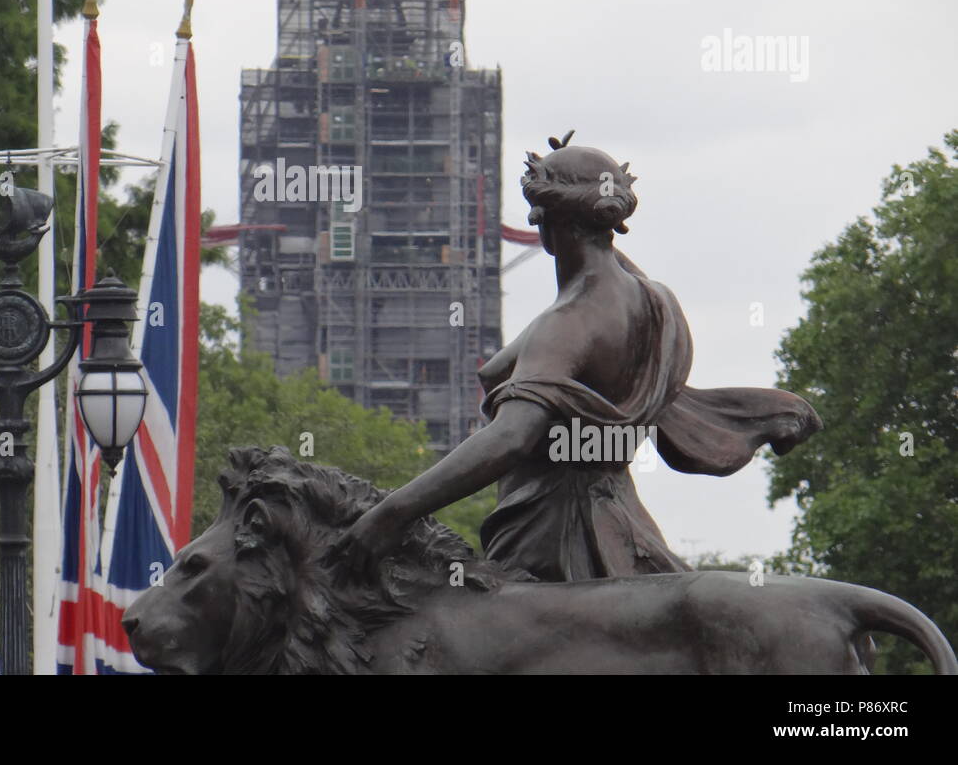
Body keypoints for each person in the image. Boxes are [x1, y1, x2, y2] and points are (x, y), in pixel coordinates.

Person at [331, 131, 822, 583]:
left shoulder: (568, 323)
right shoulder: (652, 299)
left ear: (546, 222)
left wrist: (390, 514)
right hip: (623, 524)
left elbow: (510, 437)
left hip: (552, 538)